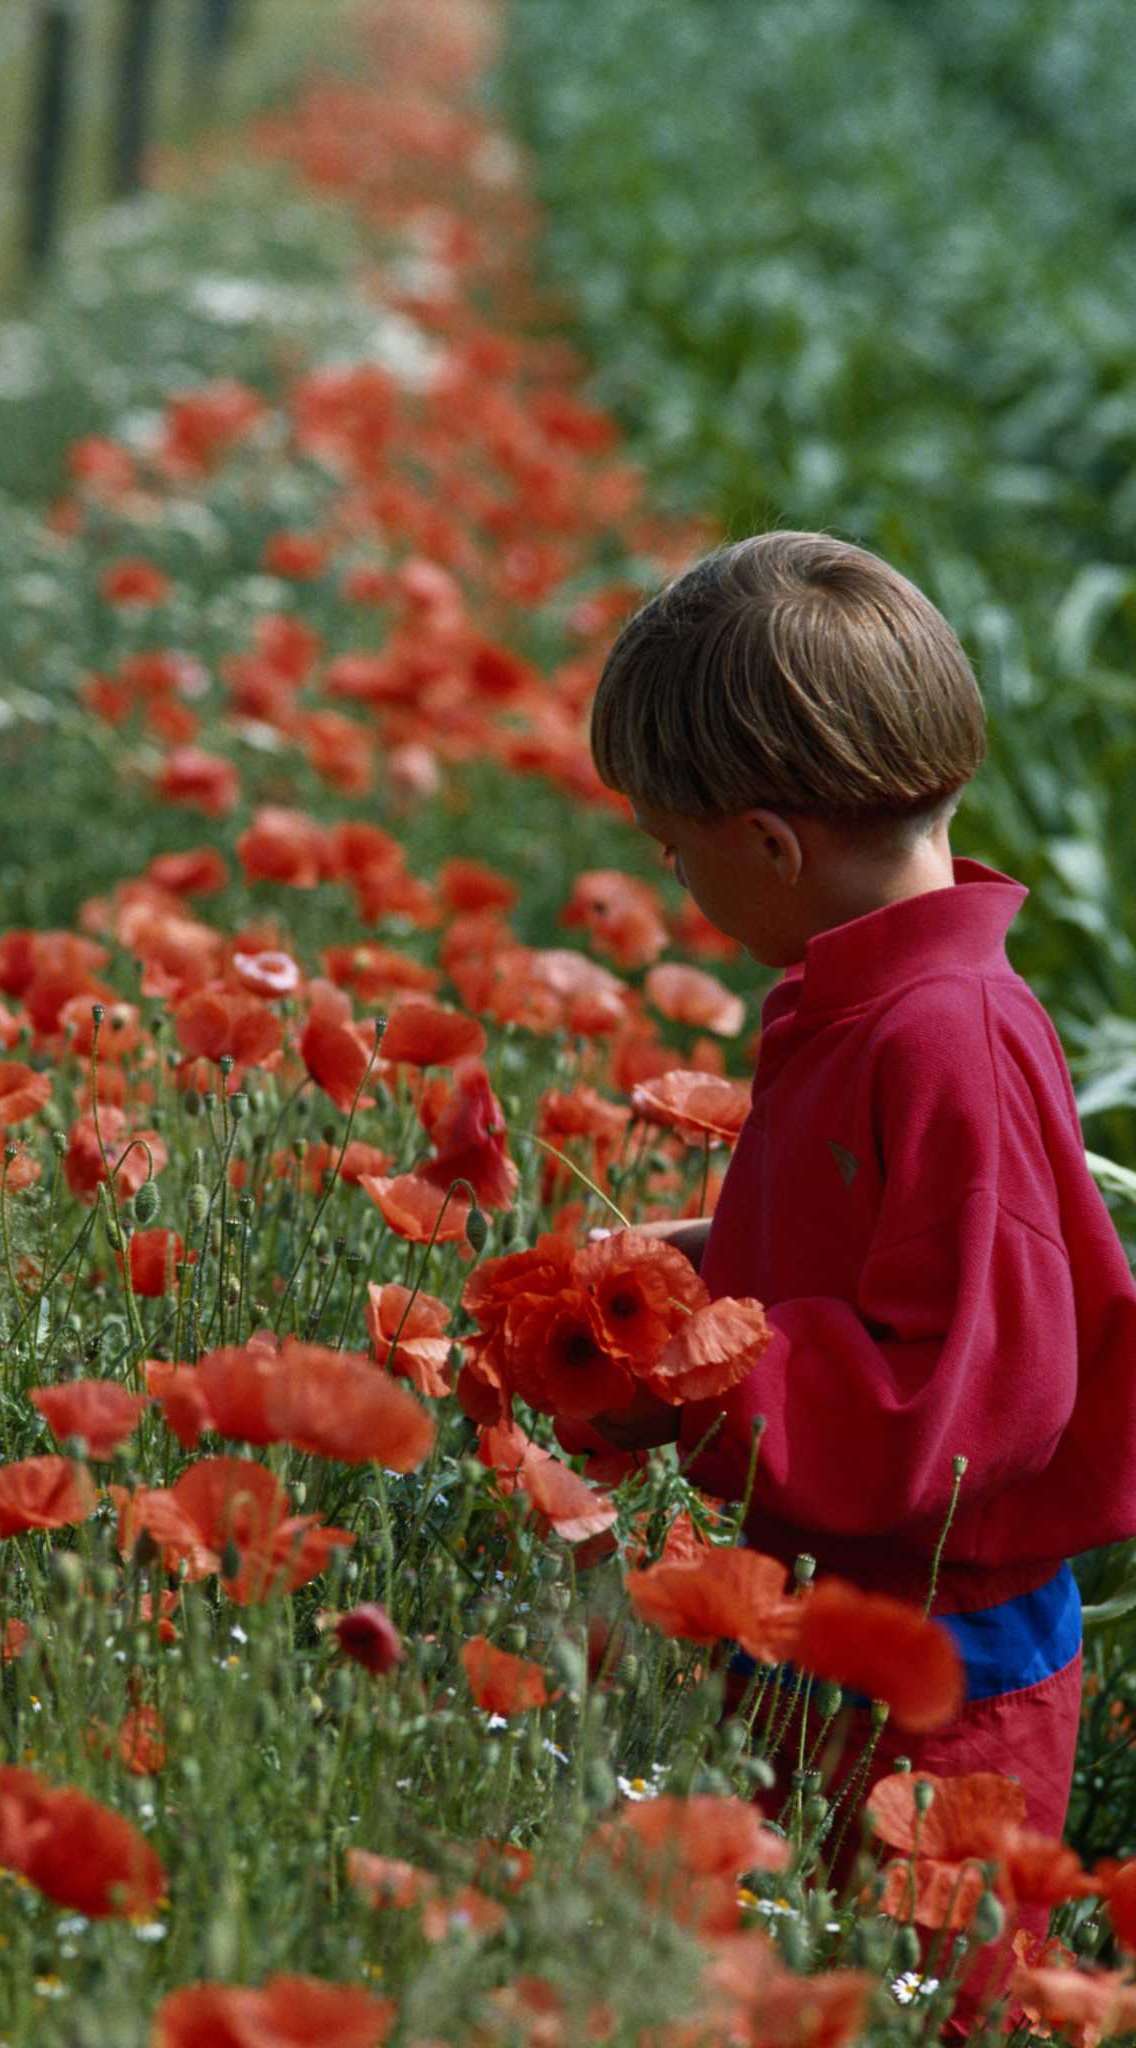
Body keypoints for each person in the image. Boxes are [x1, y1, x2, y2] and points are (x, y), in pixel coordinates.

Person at [587, 530, 1136, 2026]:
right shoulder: (882, 998)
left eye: (669, 844)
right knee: (812, 1966)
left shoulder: (937, 1034)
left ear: (768, 844)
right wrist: (668, 1272)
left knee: (917, 1990)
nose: (666, 872)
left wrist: (684, 1356)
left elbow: (955, 1391)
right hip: (858, 1617)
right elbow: (874, 1268)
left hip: (939, 1668)